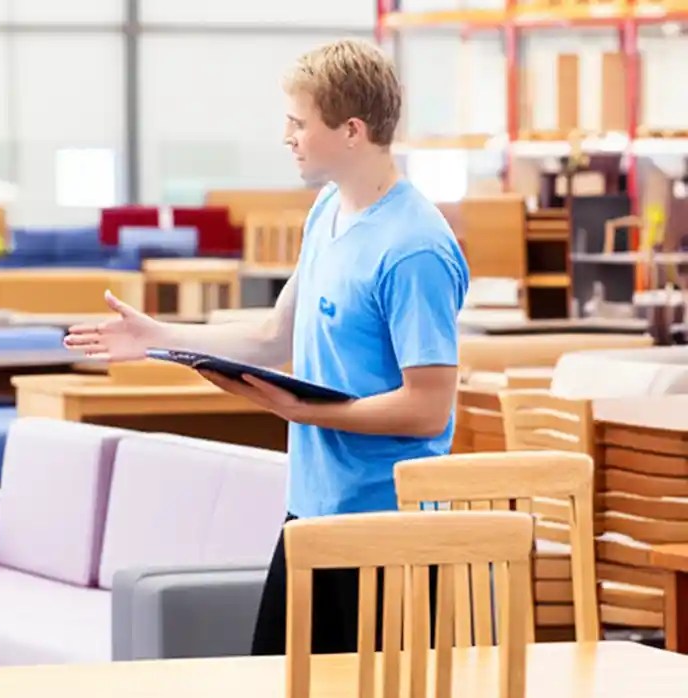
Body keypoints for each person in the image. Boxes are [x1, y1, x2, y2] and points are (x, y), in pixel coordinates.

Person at [63, 38, 469, 656]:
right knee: (276, 691)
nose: (287, 136)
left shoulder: (415, 248)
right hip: (311, 514)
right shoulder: (328, 210)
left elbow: (428, 409)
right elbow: (273, 336)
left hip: (387, 530)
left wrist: (306, 412)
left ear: (352, 131)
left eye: (299, 123)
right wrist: (158, 337)